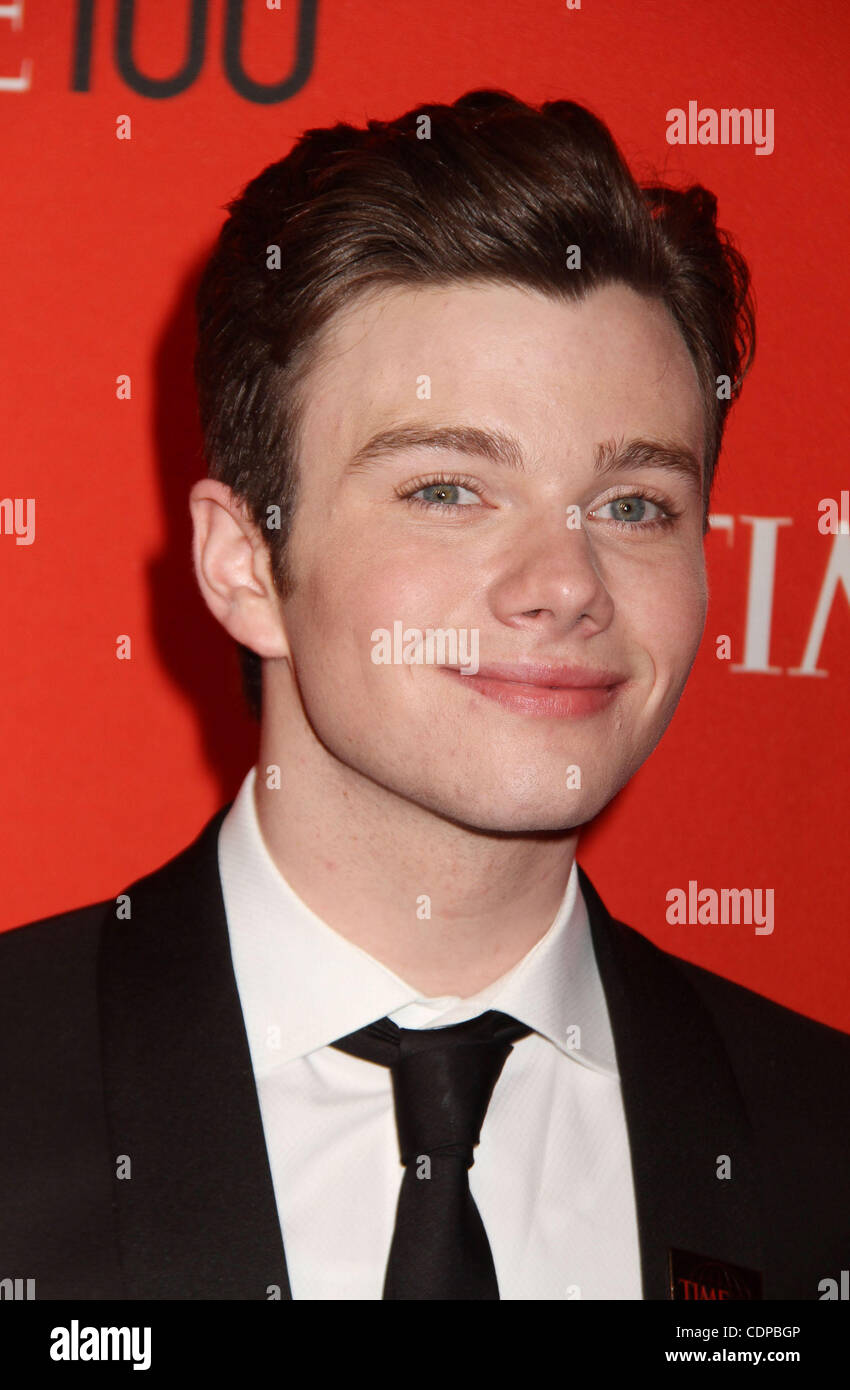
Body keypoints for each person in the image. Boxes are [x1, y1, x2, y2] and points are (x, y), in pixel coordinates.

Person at [2, 89, 848, 1303]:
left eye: (633, 506)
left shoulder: (821, 1145)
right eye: (448, 489)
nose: (564, 584)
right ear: (245, 564)